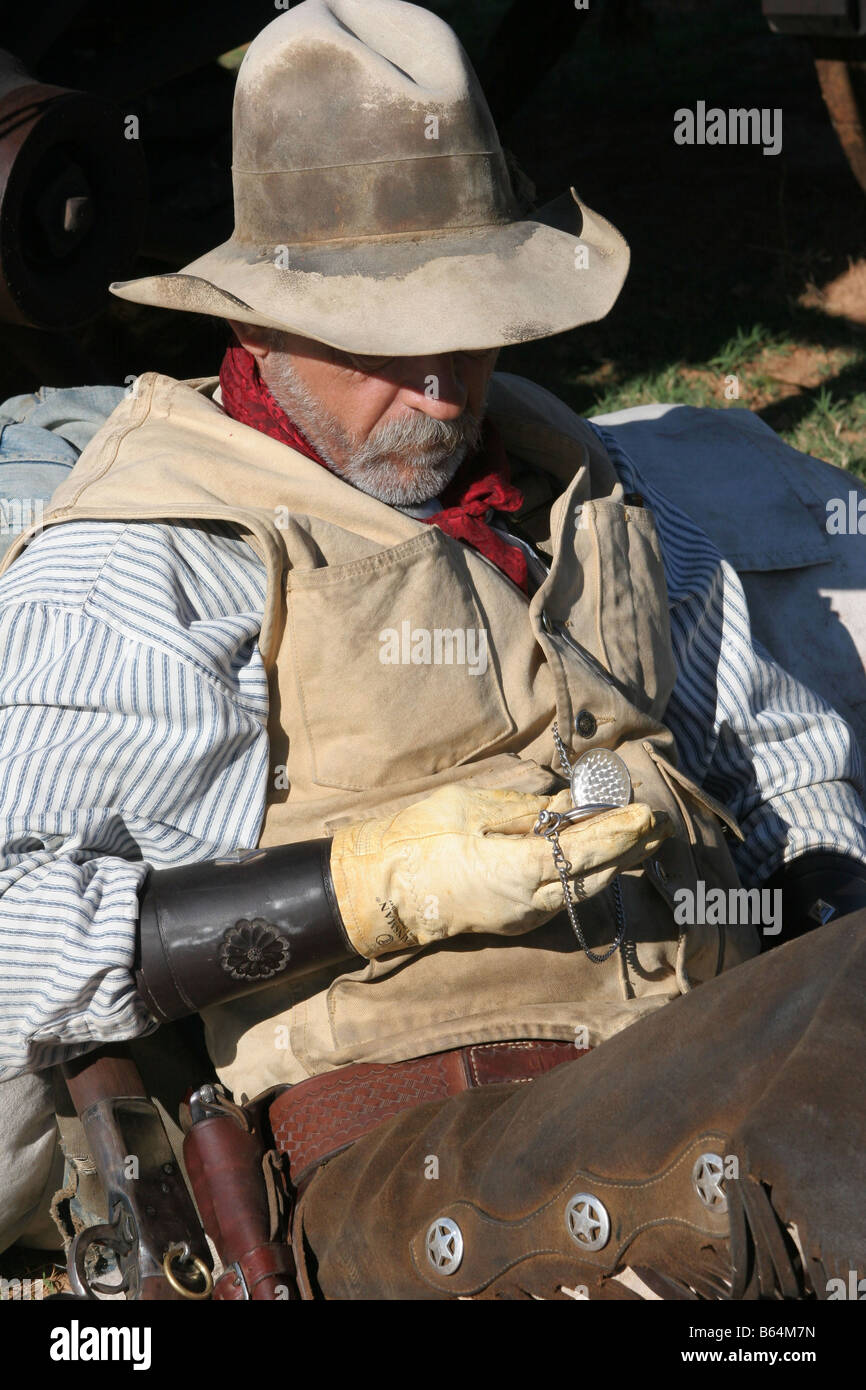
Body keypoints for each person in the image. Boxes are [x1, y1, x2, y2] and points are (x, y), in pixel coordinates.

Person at [0, 0, 864, 1298]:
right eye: (385, 347)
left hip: (710, 1065)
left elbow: (776, 761)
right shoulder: (160, 551)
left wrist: (811, 921)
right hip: (419, 1163)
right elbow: (19, 944)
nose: (441, 389)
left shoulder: (592, 482)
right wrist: (368, 888)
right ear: (260, 318)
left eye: (471, 327)